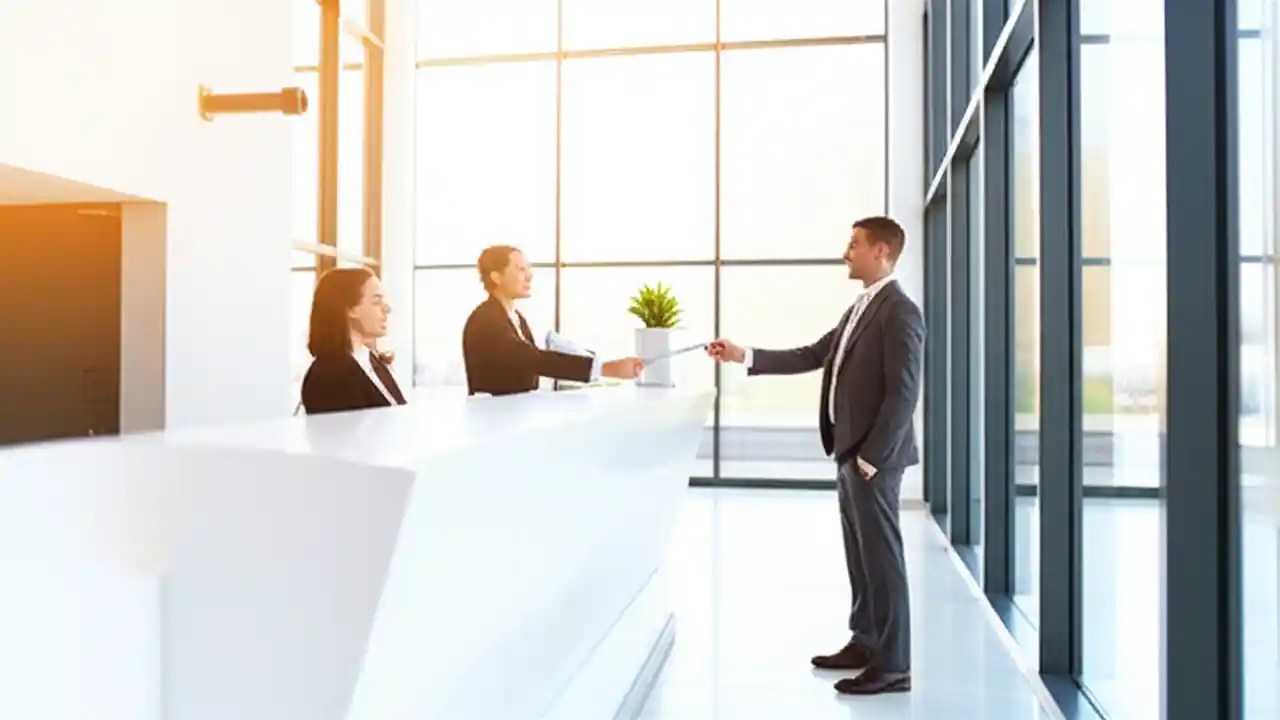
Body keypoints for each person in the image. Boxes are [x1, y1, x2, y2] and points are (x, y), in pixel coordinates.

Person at [707, 216, 924, 696]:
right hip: (850, 452)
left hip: (872, 460)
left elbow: (904, 392)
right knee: (861, 557)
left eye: (855, 244)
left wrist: (871, 458)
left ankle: (893, 665)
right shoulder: (861, 308)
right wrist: (744, 355)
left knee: (883, 562)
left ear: (882, 251)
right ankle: (866, 642)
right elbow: (813, 354)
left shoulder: (899, 311)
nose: (846, 252)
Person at [462, 245, 644, 396]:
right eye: (520, 269)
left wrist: (597, 364)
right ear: (496, 277)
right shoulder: (486, 320)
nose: (529, 275)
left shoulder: (516, 318)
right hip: (493, 418)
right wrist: (605, 369)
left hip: (513, 414)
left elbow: (542, 352)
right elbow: (531, 359)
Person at [301, 267, 407, 414]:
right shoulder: (328, 377)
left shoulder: (373, 361)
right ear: (350, 309)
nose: (386, 309)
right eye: (376, 301)